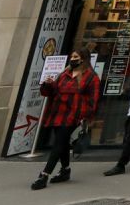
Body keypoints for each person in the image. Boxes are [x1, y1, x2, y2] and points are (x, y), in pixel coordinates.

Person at [31, 49, 101, 190]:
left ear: (83, 59)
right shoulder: (64, 73)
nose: (72, 59)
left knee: (58, 143)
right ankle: (65, 170)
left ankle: (44, 174)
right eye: (72, 56)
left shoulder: (91, 77)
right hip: (58, 113)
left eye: (75, 57)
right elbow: (51, 92)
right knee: (62, 142)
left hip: (73, 115)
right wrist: (48, 84)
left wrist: (85, 116)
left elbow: (94, 100)